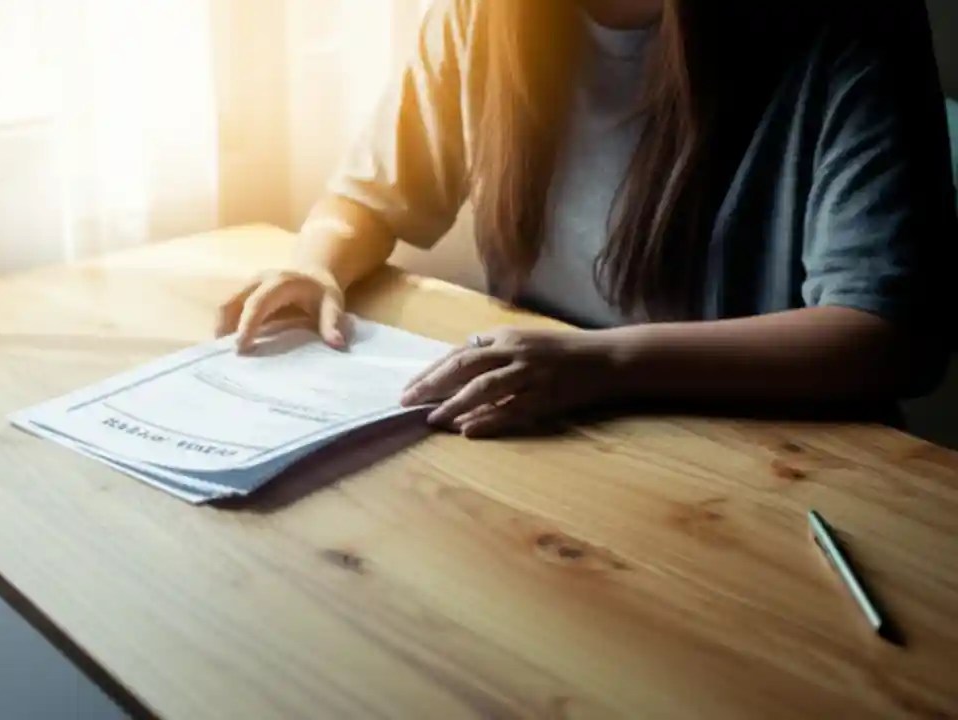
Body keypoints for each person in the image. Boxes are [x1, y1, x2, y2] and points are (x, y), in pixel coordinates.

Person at [216, 0, 957, 437]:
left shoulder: (847, 25)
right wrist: (316, 262)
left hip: (768, 458)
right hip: (558, 426)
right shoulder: (487, 15)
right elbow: (367, 197)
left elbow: (887, 336)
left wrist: (608, 365)